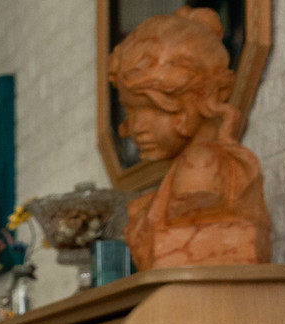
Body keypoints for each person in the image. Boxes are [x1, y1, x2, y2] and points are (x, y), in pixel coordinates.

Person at [107, 6, 270, 269]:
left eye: (152, 108)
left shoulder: (202, 167)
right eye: (131, 110)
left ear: (201, 97)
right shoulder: (189, 168)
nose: (136, 127)